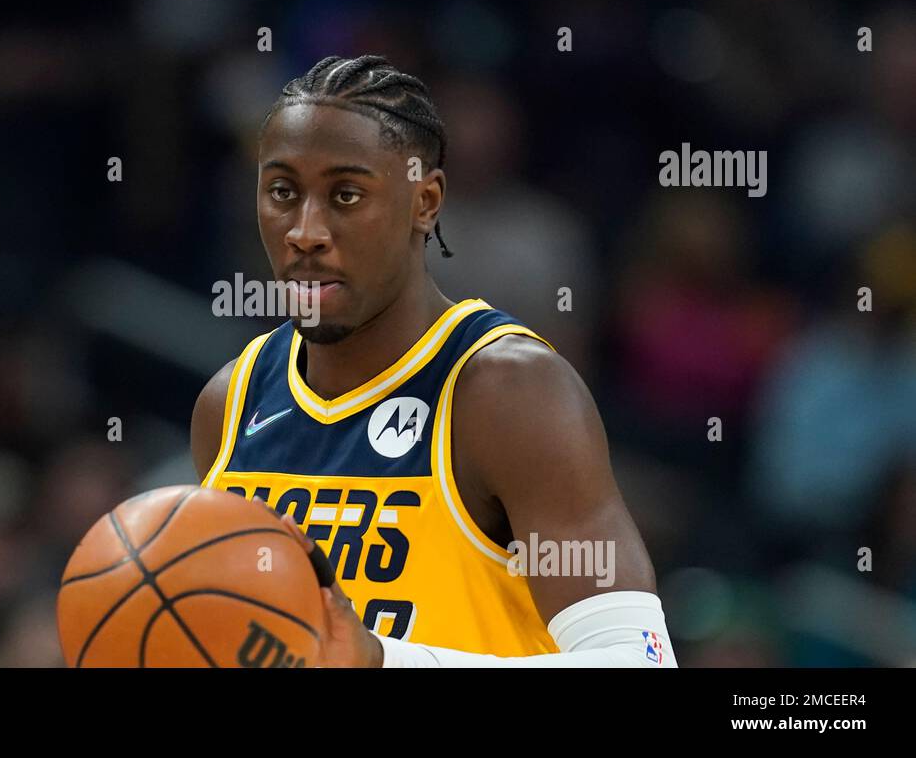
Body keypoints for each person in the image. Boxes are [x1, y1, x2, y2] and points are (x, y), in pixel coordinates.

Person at [191, 55, 676, 667]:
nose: (305, 231)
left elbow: (639, 663)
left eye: (346, 194)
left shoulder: (508, 391)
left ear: (425, 202)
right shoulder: (230, 405)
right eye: (282, 192)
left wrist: (380, 660)